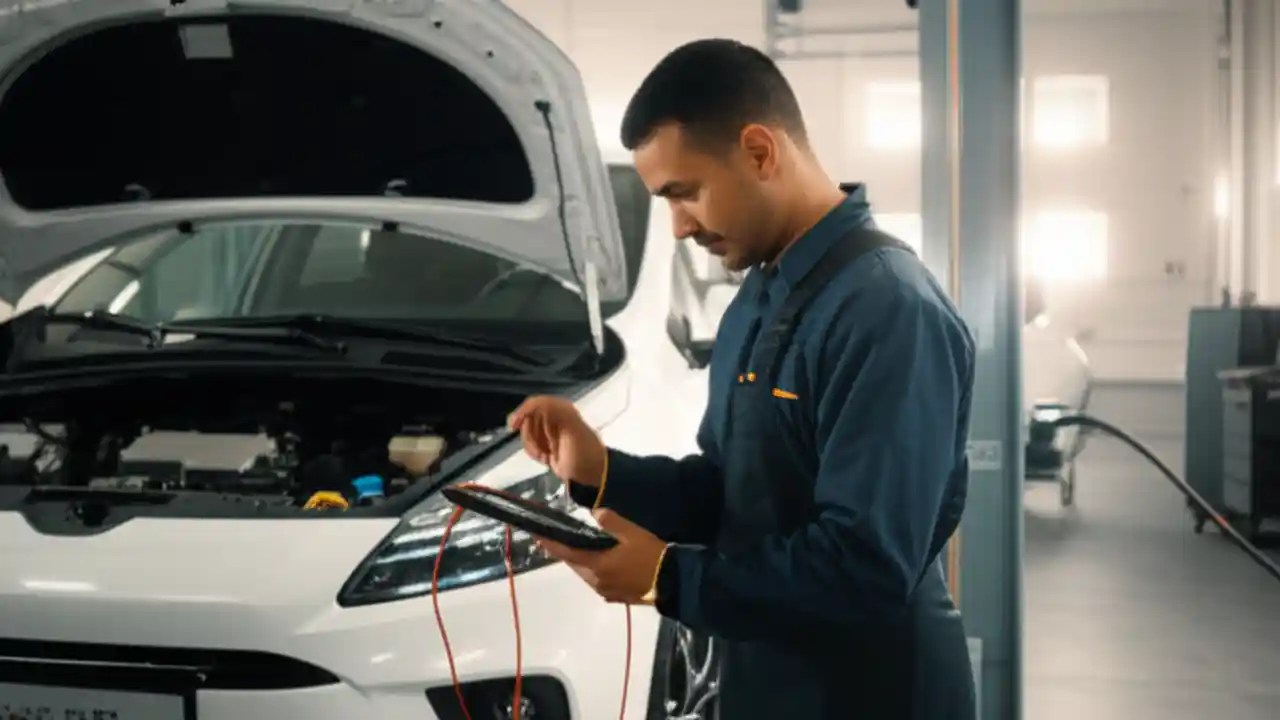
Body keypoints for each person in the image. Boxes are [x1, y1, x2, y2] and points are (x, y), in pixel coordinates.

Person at [508, 38, 977, 720]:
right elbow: (731, 494)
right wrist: (604, 472)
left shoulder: (887, 308)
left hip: (872, 693)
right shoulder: (759, 297)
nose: (677, 226)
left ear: (760, 152)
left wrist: (668, 579)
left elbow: (864, 564)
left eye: (685, 192)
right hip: (771, 680)